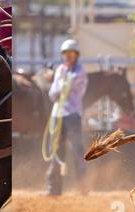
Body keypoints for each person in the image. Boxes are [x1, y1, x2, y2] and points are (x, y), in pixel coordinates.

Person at [47, 39, 87, 196]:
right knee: (55, 151)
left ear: (76, 55)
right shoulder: (61, 70)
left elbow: (69, 87)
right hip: (57, 114)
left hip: (72, 114)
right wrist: (60, 89)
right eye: (66, 54)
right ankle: (53, 188)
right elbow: (52, 94)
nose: (68, 56)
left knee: (77, 150)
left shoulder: (80, 71)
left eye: (71, 53)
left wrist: (61, 88)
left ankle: (82, 187)